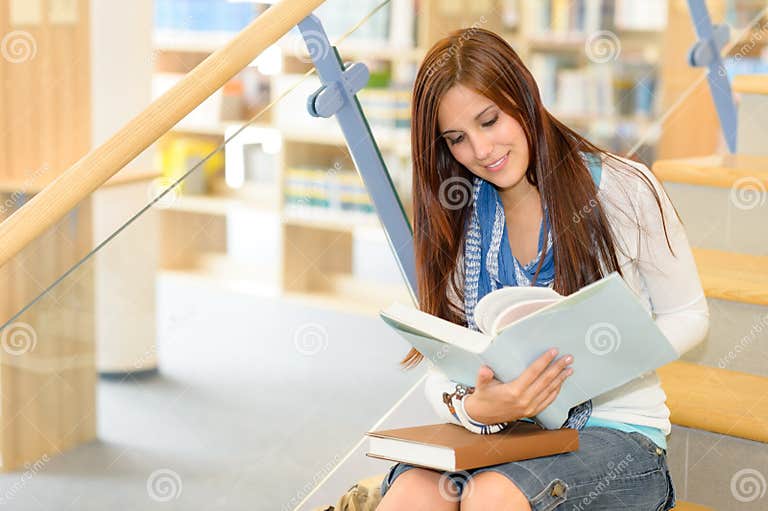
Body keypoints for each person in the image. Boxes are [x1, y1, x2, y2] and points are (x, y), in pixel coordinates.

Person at [376, 28, 709, 511]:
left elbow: (689, 314)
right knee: (413, 492)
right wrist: (475, 407)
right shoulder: (461, 211)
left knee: (493, 495)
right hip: (508, 435)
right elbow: (444, 359)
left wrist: (602, 360)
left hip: (618, 438)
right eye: (458, 139)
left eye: (490, 120)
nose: (482, 150)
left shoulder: (623, 187)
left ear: (523, 97)